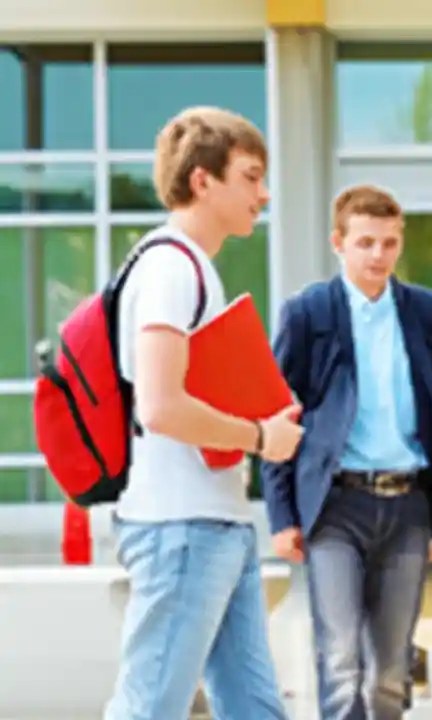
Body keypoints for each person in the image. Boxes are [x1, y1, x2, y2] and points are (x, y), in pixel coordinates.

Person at [104, 106, 301, 719]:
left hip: (215, 524)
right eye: (250, 176)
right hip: (180, 527)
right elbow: (159, 406)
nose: (263, 195)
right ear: (202, 181)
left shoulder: (190, 267)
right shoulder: (169, 268)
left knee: (255, 708)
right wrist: (258, 434)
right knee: (150, 706)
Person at [262, 184, 432, 720]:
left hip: (407, 506)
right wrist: (282, 514)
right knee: (341, 658)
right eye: (367, 242)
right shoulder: (308, 312)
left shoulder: (424, 312)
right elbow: (279, 413)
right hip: (335, 506)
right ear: (339, 242)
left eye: (390, 243)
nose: (379, 255)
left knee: (391, 669)